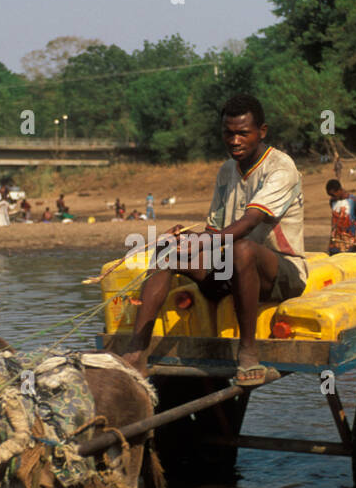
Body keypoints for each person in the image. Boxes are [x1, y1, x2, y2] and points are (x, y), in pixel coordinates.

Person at [121, 94, 306, 387]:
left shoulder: (281, 169)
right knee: (167, 249)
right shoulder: (225, 171)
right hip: (230, 265)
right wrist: (186, 239)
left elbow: (247, 224)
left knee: (242, 249)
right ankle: (136, 351)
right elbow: (215, 231)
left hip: (280, 272)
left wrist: (204, 243)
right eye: (228, 133)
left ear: (262, 132)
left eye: (243, 133)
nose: (234, 140)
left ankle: (248, 353)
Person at [326, 179, 356, 255]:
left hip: (350, 246)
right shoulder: (332, 201)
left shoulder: (354, 200)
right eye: (330, 195)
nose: (332, 197)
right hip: (334, 245)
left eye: (333, 195)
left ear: (339, 190)